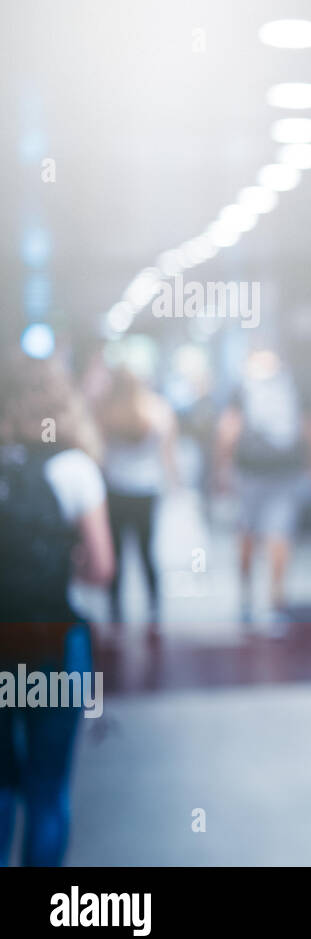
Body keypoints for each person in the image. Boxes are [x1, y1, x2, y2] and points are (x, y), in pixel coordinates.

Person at [0, 352, 115, 866]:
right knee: (48, 790)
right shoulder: (73, 467)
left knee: (1, 786)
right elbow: (102, 568)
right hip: (53, 641)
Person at [214, 349, 306, 636]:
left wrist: (223, 467)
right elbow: (309, 428)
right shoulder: (291, 385)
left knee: (247, 532)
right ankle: (276, 605)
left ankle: (246, 601)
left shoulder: (242, 388)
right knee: (280, 535)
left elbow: (228, 429)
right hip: (284, 471)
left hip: (249, 472)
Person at [96, 365, 179, 631]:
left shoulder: (106, 411)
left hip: (115, 488)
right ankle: (154, 604)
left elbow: (98, 451)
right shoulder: (158, 408)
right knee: (147, 549)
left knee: (117, 551)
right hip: (147, 488)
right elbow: (168, 453)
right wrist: (175, 483)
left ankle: (114, 606)